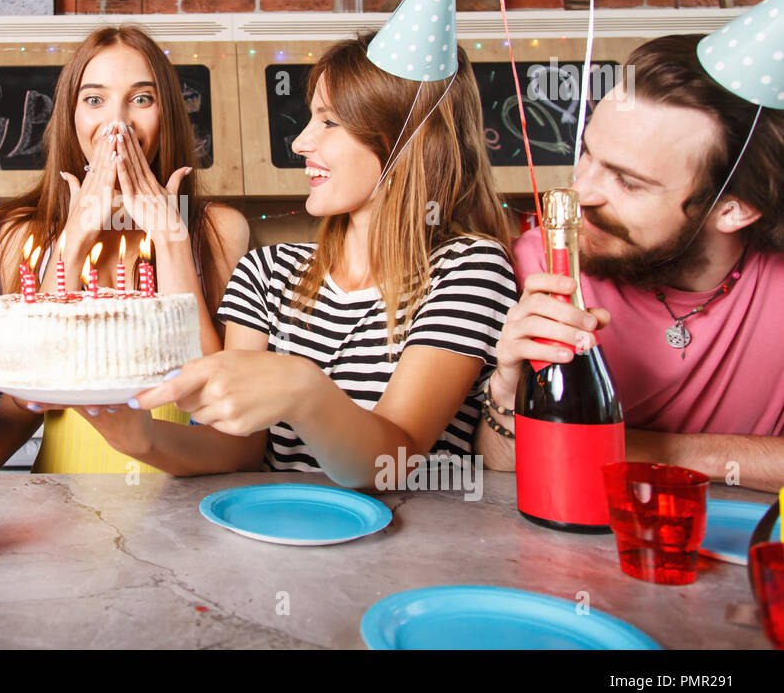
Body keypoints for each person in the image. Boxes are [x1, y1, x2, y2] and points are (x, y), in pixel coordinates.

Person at [81, 32, 521, 486]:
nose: (300, 143)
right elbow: (238, 451)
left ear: (406, 139)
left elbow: (394, 462)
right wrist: (140, 439)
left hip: (408, 551)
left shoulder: (469, 269)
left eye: (329, 123)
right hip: (277, 545)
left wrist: (304, 390)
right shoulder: (266, 272)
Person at [476, 34, 784, 491]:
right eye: (586, 153)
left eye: (628, 182)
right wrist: (506, 388)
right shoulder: (540, 265)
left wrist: (651, 450)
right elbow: (504, 462)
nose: (582, 193)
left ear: (731, 209)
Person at [0, 25, 250, 474]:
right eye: (95, 100)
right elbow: (26, 389)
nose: (118, 123)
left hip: (182, 494)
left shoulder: (218, 229)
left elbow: (214, 393)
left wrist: (171, 239)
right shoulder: (22, 230)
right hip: (61, 500)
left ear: (166, 113)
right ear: (70, 116)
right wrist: (74, 238)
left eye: (141, 99)